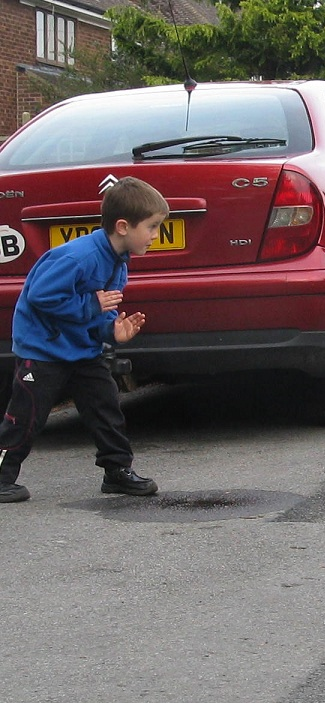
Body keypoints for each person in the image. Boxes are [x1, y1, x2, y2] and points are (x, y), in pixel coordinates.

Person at [0, 177, 168, 503]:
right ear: (123, 226)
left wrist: (110, 330)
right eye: (152, 227)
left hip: (82, 349)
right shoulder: (78, 257)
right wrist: (91, 305)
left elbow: (103, 307)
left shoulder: (118, 261)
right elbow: (40, 295)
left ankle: (117, 471)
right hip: (44, 348)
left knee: (105, 407)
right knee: (26, 415)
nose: (155, 235)